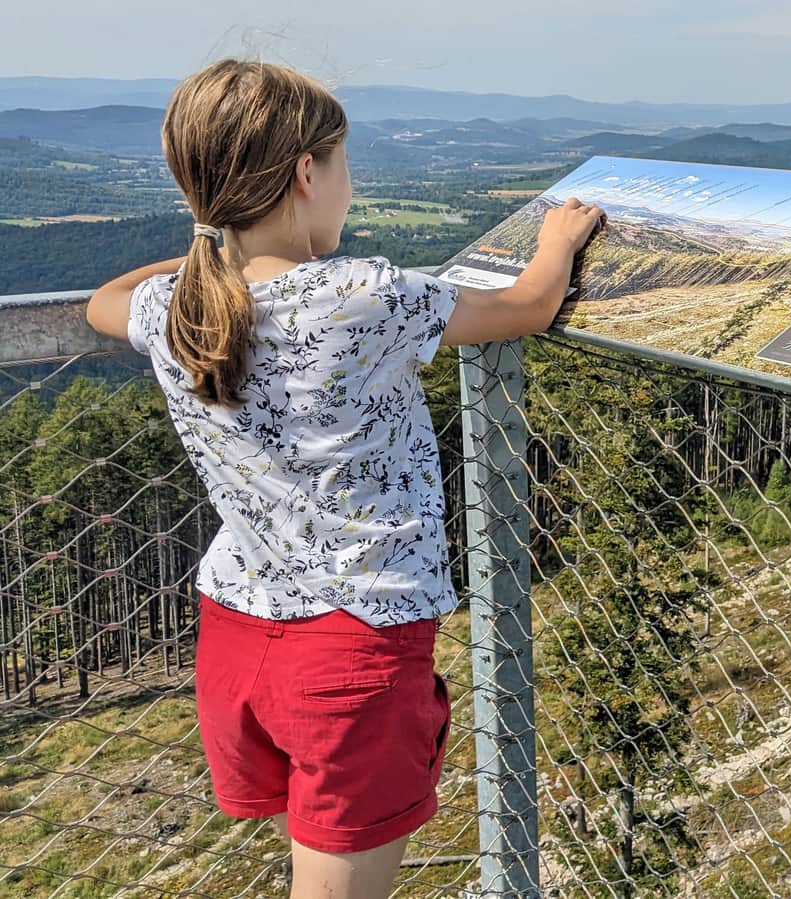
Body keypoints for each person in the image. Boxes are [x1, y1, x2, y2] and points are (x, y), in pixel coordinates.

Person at [84, 59, 603, 899]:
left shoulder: (173, 308)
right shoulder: (365, 296)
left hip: (236, 632)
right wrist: (559, 241)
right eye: (344, 165)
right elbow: (530, 307)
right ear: (305, 174)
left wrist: (207, 256)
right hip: (355, 648)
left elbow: (105, 301)